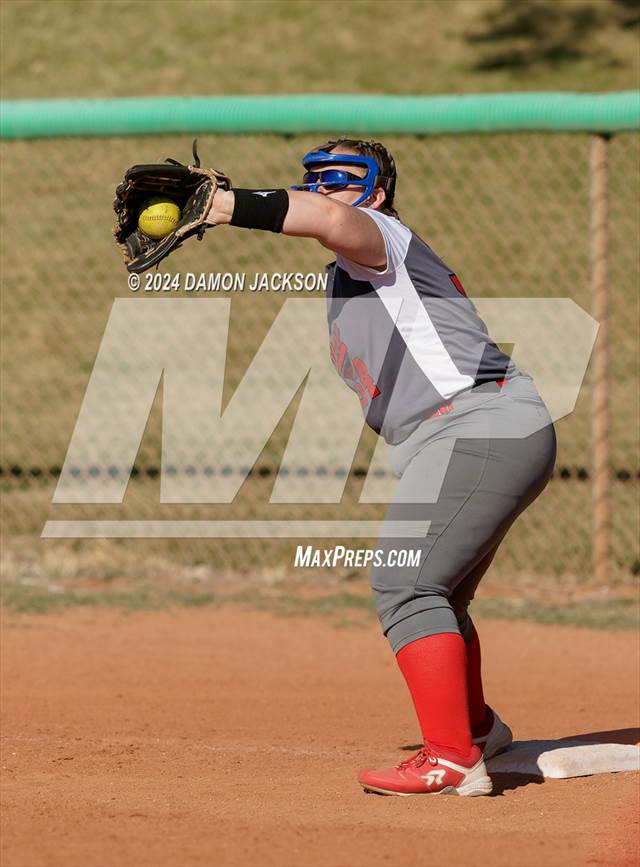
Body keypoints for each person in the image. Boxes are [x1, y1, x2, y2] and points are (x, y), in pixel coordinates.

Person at [205, 138, 557, 797]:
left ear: (377, 190)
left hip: (478, 423)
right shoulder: (348, 274)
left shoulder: (379, 236)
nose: (322, 188)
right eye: (313, 177)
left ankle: (452, 758)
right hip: (465, 430)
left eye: (340, 176)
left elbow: (331, 219)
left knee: (405, 584)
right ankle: (475, 729)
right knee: (440, 592)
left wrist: (227, 205)